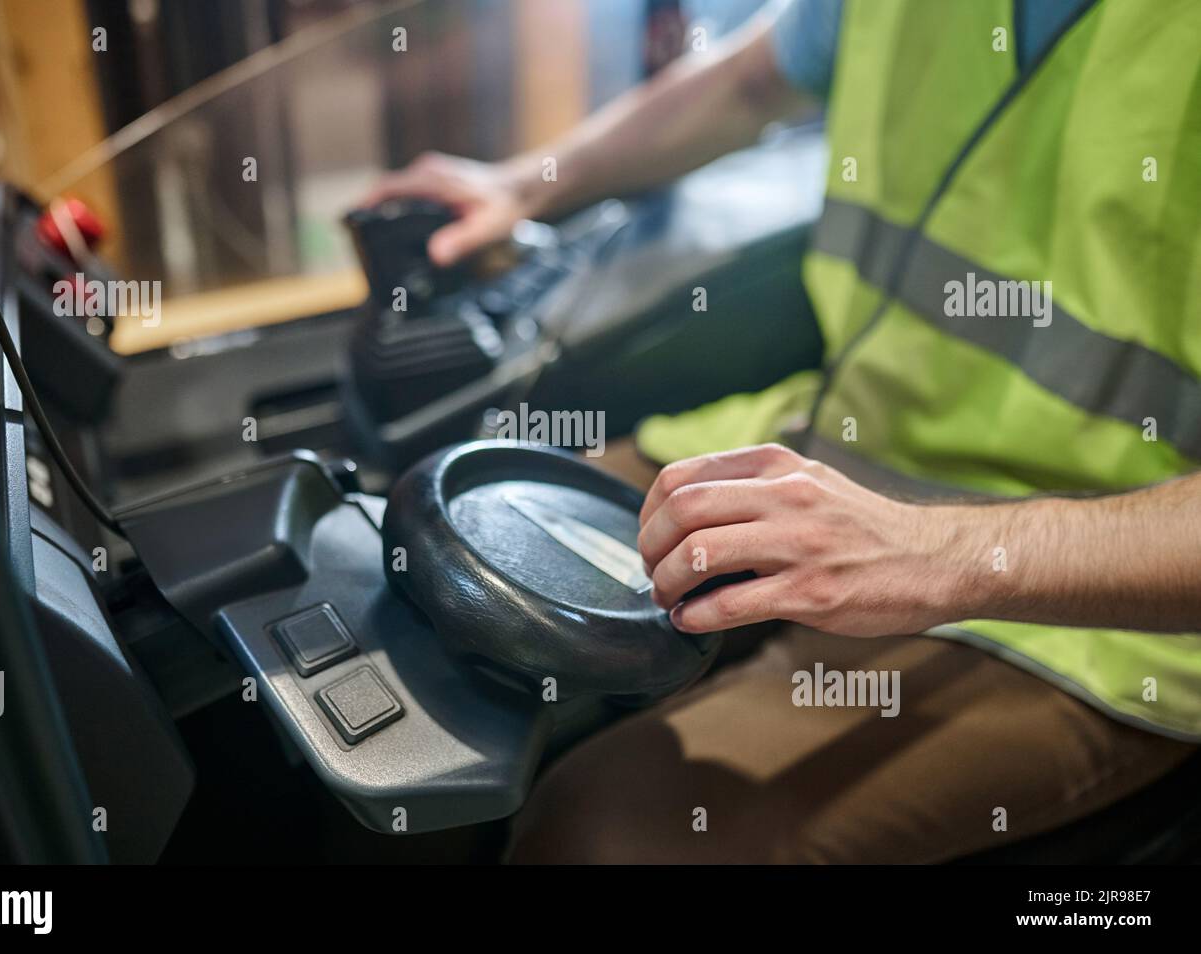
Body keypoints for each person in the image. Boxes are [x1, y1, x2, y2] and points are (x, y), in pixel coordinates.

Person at [361, 0, 1201, 862]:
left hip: (1090, 614)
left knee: (609, 840)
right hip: (830, 442)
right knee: (388, 576)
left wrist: (938, 552)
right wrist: (523, 182)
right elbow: (749, 82)